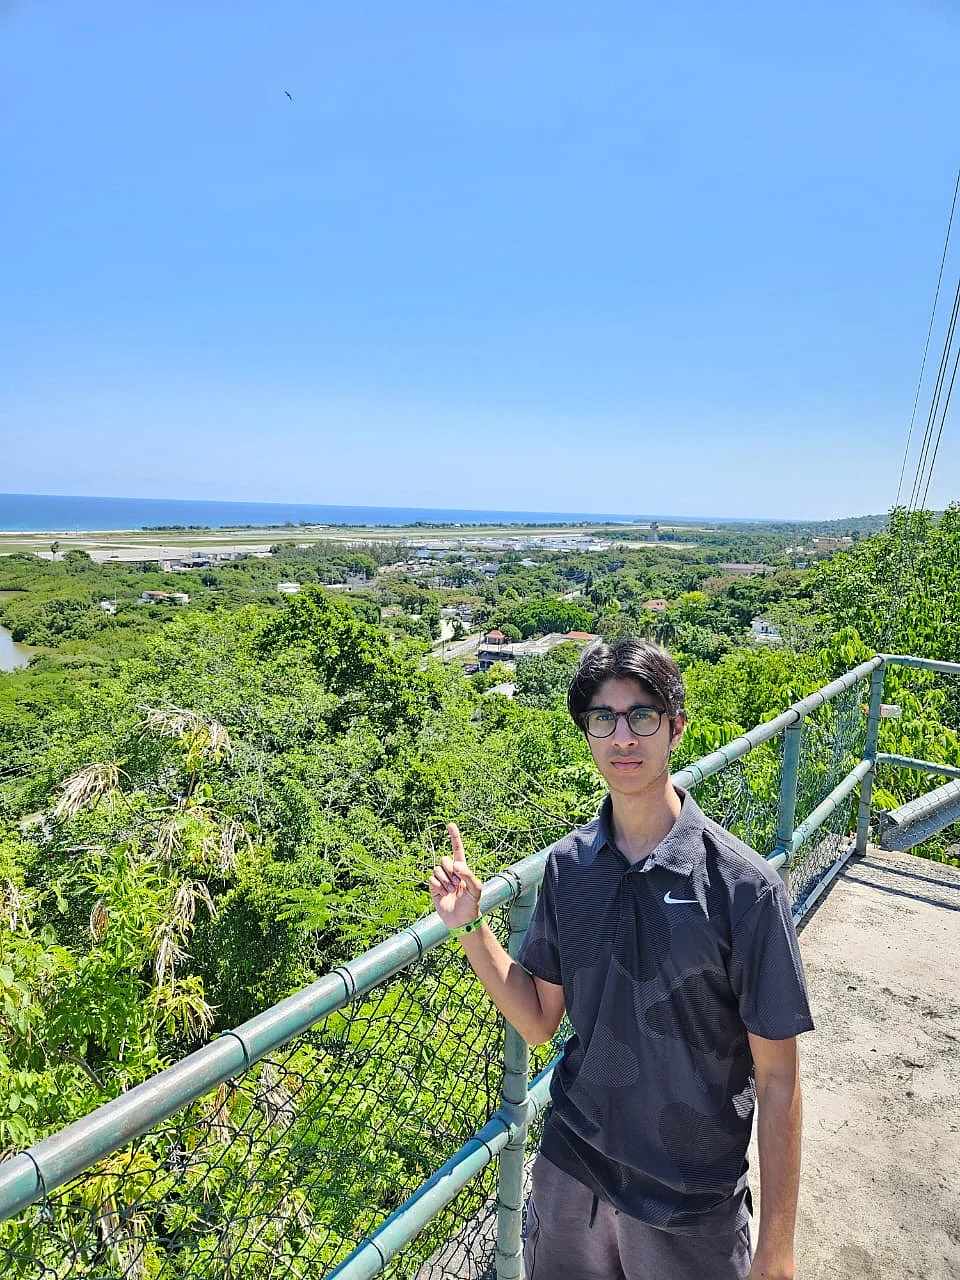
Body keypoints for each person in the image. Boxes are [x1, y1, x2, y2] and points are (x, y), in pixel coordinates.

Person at [428, 638, 813, 1280]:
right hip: (573, 1165)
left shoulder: (741, 888)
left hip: (689, 1199)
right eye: (603, 719)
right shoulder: (570, 867)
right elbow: (538, 1019)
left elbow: (778, 1081)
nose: (623, 736)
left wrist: (777, 1250)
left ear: (675, 727)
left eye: (642, 715)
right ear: (587, 734)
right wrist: (470, 926)